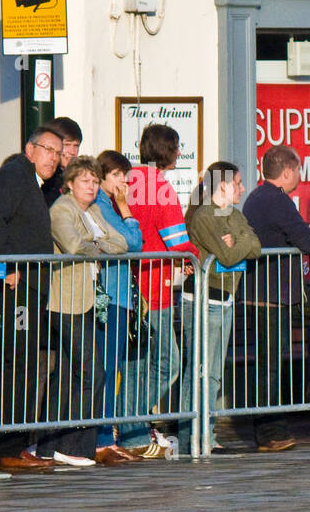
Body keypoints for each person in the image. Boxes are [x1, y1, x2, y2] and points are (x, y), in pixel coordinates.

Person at [0, 124, 64, 472]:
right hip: (19, 287)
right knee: (19, 364)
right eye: (48, 150)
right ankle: (6, 446)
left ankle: (15, 442)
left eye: (58, 153)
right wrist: (10, 265)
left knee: (27, 364)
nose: (54, 158)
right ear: (30, 150)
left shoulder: (33, 183)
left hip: (33, 286)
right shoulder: (14, 175)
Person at [37, 157, 131, 466]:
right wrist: (97, 241)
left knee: (66, 375)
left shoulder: (93, 211)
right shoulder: (62, 209)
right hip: (66, 301)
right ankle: (75, 446)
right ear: (70, 184)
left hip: (88, 300)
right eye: (85, 181)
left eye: (94, 181)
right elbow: (74, 244)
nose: (91, 187)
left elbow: (121, 243)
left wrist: (96, 240)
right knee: (93, 372)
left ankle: (49, 446)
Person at [118, 124, 198, 458]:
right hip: (156, 287)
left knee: (137, 363)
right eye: (177, 146)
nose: (180, 152)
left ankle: (131, 433)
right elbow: (178, 242)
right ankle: (133, 423)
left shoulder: (127, 181)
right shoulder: (161, 187)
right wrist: (196, 256)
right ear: (167, 150)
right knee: (169, 362)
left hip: (128, 287)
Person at [177, 161, 261, 453]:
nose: (242, 188)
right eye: (237, 182)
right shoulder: (204, 216)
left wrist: (240, 239)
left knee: (212, 373)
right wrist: (238, 242)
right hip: (203, 299)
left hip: (223, 300)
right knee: (199, 369)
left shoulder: (233, 214)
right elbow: (227, 256)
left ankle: (207, 435)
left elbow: (256, 245)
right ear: (223, 185)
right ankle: (192, 436)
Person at [242, 145, 310, 453]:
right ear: (287, 171)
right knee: (270, 366)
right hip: (269, 296)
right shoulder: (277, 200)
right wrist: (304, 233)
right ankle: (270, 431)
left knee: (269, 364)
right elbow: (307, 241)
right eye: (298, 170)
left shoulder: (258, 197)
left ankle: (271, 427)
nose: (299, 176)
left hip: (263, 294)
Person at [93, 150, 144, 451]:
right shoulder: (104, 205)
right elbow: (133, 243)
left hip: (116, 295)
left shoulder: (105, 203)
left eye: (124, 175)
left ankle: (103, 435)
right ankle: (102, 438)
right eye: (116, 175)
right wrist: (125, 208)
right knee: (109, 367)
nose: (122, 181)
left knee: (111, 367)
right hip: (112, 297)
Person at [40, 116, 83, 209]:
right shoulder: (44, 176)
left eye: (76, 146)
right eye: (67, 145)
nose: (72, 151)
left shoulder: (72, 175)